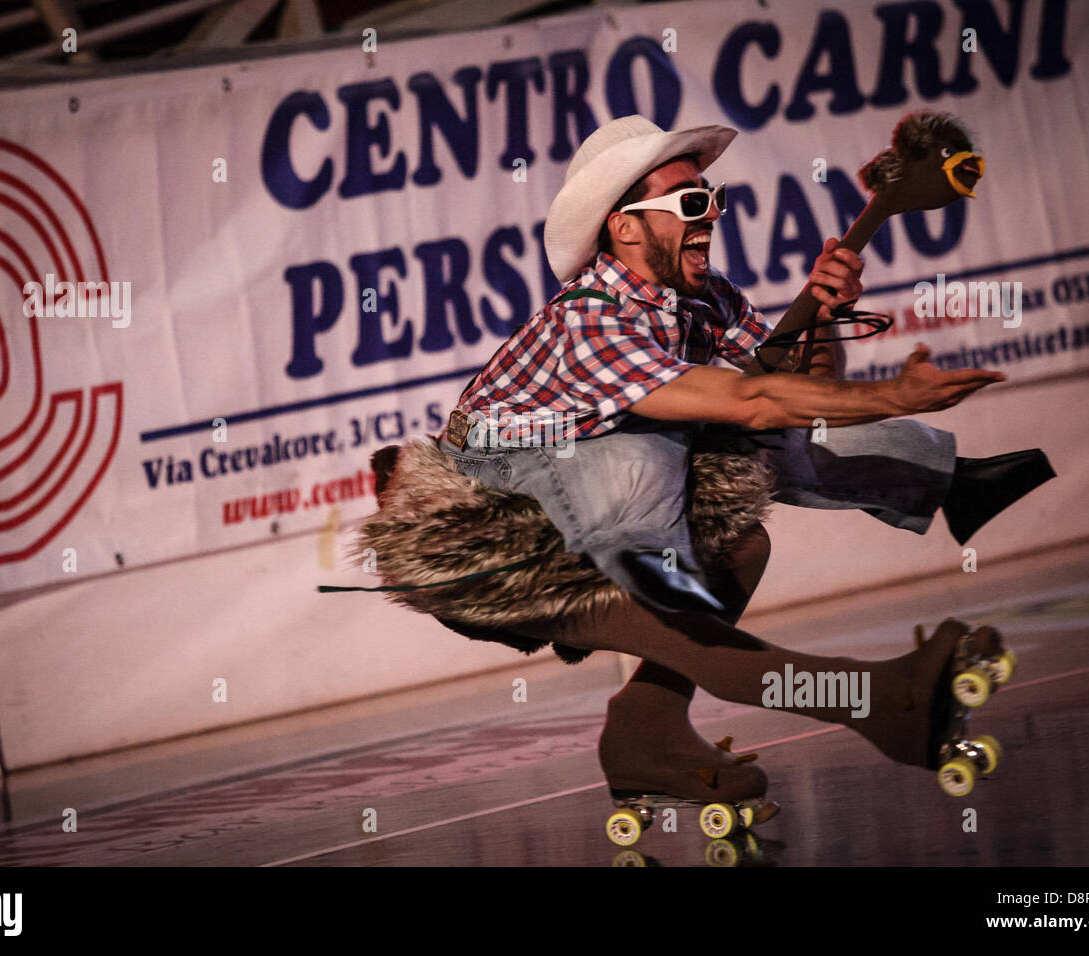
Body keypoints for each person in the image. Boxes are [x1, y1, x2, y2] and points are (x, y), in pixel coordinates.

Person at [433, 115, 1054, 818]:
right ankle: (884, 701)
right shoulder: (592, 320)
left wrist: (822, 313)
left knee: (740, 546)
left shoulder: (701, 297)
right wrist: (889, 396)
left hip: (588, 495)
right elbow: (752, 399)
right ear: (625, 228)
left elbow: (796, 389)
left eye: (713, 198)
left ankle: (645, 736)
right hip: (500, 536)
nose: (711, 216)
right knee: (687, 617)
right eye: (690, 204)